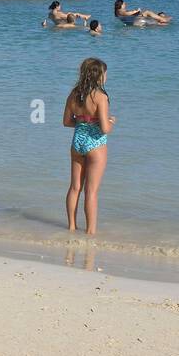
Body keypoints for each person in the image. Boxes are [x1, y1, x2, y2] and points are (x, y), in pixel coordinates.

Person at [63, 57, 114, 235]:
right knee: (91, 191)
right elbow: (105, 128)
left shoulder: (74, 94)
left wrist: (81, 121)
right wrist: (111, 121)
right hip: (95, 144)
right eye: (105, 73)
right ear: (99, 76)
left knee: (75, 187)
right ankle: (90, 231)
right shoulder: (101, 97)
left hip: (77, 141)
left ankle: (71, 227)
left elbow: (67, 122)